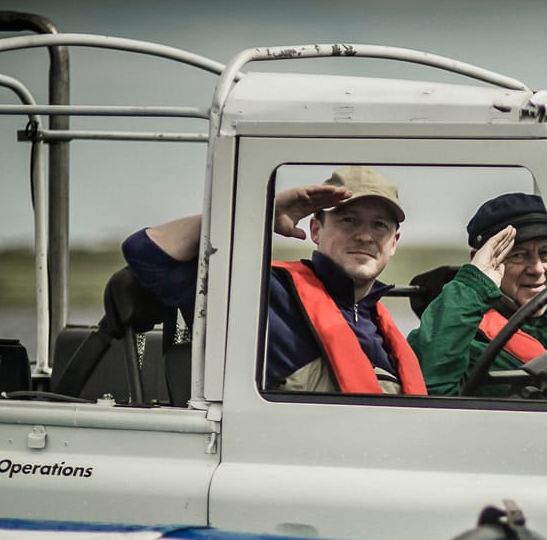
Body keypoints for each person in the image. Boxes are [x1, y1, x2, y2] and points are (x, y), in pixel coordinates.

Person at [122, 165, 427, 395]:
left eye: (379, 225)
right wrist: (261, 210)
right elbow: (147, 253)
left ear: (394, 241)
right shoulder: (264, 296)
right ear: (316, 230)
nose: (364, 235)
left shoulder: (383, 329)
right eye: (349, 220)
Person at [408, 193, 547, 396]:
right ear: (481, 261)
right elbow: (432, 392)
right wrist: (475, 281)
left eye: (546, 254)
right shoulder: (464, 337)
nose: (538, 269)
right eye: (518, 255)